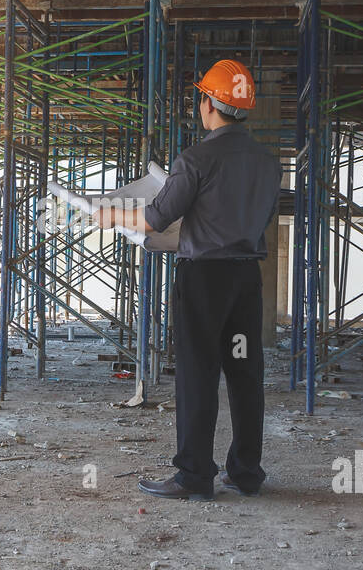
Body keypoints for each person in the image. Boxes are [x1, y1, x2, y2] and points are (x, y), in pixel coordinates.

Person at [94, 59, 282, 501]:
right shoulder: (268, 164)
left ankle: (195, 474)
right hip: (246, 281)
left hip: (204, 281)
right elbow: (262, 218)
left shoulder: (196, 159)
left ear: (208, 104)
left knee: (198, 373)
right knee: (244, 373)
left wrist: (109, 215)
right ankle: (246, 471)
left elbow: (155, 221)